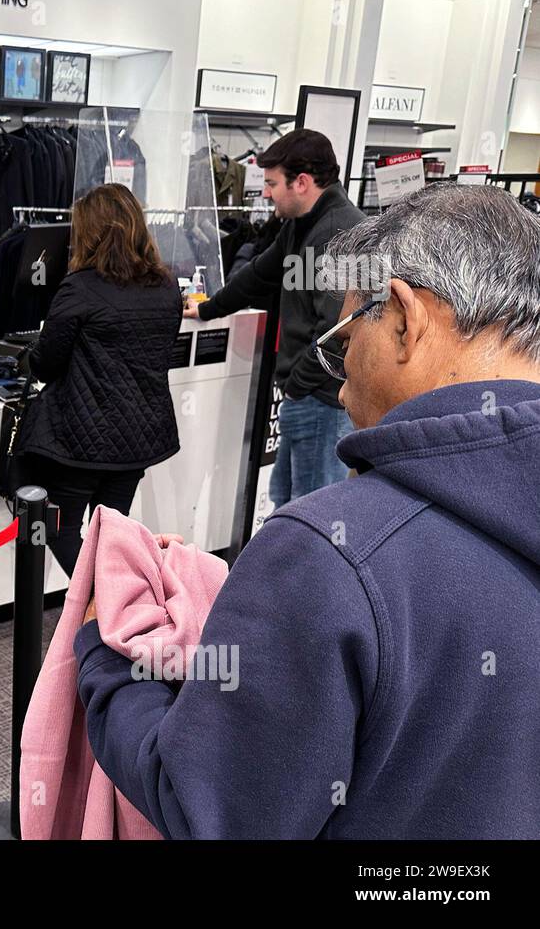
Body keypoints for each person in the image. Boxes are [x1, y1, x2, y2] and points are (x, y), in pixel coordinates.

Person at [75, 182, 540, 838]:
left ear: (405, 319)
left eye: (345, 339)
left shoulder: (329, 555)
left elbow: (206, 809)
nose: (342, 380)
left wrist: (106, 654)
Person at [184, 129, 365, 508]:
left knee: (308, 518)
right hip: (310, 400)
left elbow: (337, 331)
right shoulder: (305, 225)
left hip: (323, 402)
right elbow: (258, 274)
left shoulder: (337, 232)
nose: (266, 193)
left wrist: (297, 385)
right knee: (286, 506)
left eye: (271, 183)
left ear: (301, 182)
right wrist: (206, 308)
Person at [19, 184, 182, 577]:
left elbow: (46, 362)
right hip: (137, 438)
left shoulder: (81, 287)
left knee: (59, 530)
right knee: (112, 532)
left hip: (82, 438)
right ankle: (113, 614)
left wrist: (26, 356)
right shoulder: (165, 286)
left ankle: (99, 604)